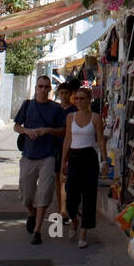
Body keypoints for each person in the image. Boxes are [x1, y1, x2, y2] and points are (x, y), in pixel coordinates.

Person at [13, 76, 66, 244]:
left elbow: (63, 131)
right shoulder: (27, 105)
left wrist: (48, 130)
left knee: (44, 192)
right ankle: (32, 212)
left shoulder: (56, 109)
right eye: (40, 86)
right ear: (36, 88)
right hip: (29, 155)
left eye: (46, 87)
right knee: (26, 195)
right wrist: (26, 131)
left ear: (50, 89)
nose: (43, 89)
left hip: (48, 156)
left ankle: (37, 230)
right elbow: (16, 126)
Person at [62, 86, 108, 249]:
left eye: (83, 98)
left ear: (89, 100)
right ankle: (74, 220)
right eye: (77, 99)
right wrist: (63, 161)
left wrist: (104, 160)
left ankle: (83, 233)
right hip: (74, 157)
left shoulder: (96, 118)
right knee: (71, 196)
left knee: (89, 196)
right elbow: (67, 139)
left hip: (89, 157)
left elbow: (101, 140)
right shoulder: (70, 117)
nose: (79, 101)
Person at [54, 79, 79, 219]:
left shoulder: (74, 111)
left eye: (66, 93)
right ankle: (61, 207)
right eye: (61, 93)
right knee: (58, 178)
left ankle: (65, 208)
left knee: (65, 179)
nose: (63, 96)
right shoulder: (55, 110)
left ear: (70, 94)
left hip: (71, 148)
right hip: (56, 148)